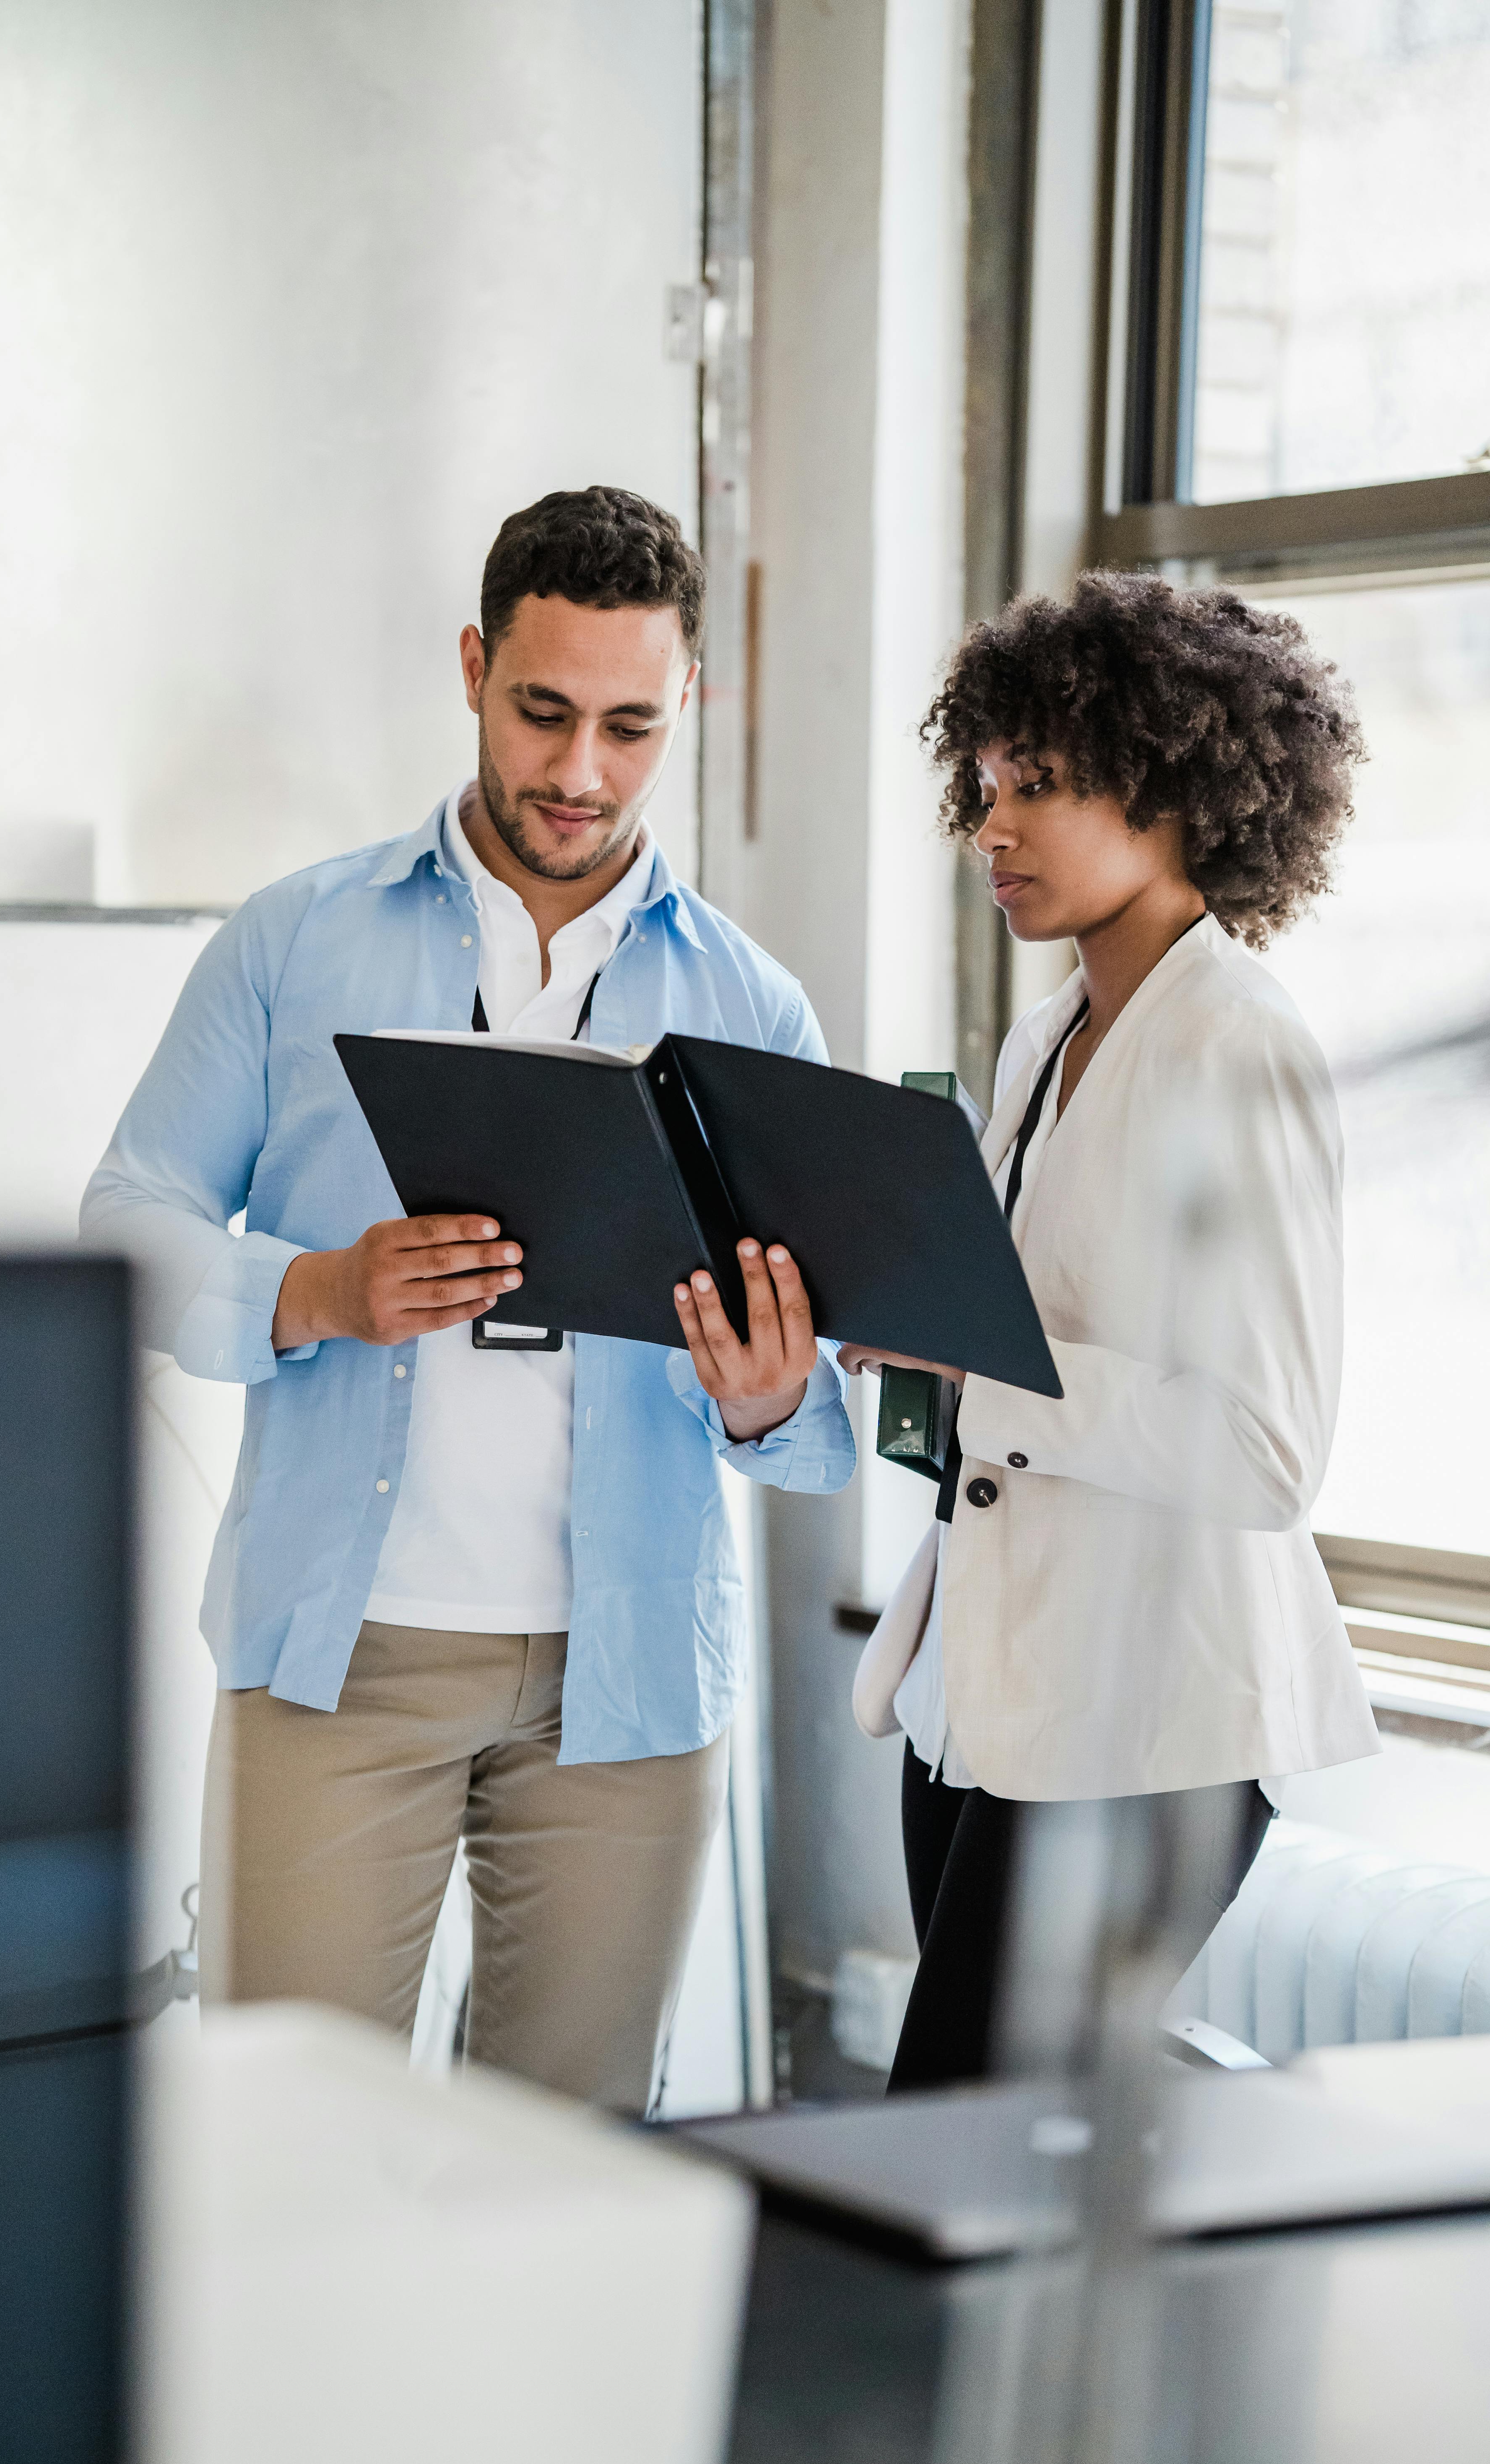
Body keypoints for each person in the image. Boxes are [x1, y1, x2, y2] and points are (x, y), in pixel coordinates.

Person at [83, 484, 854, 2112]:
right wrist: (311, 1287)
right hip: (338, 1661)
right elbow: (126, 1220)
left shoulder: (752, 1003)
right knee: (285, 2163)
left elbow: (814, 1427)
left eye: (631, 727)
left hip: (627, 1681)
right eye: (543, 712)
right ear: (472, 669)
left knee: (562, 2186)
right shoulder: (296, 940)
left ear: (688, 704)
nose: (579, 773)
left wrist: (765, 1392)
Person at [842, 570, 1380, 2093]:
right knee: (977, 2168)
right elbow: (1025, 1343)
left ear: (1181, 794)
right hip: (990, 1705)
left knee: (947, 2147)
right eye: (991, 783)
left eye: (1047, 786)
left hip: (1149, 1738)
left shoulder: (1242, 1049)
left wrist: (984, 1369)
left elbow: (1268, 1452)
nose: (993, 829)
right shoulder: (1045, 1036)